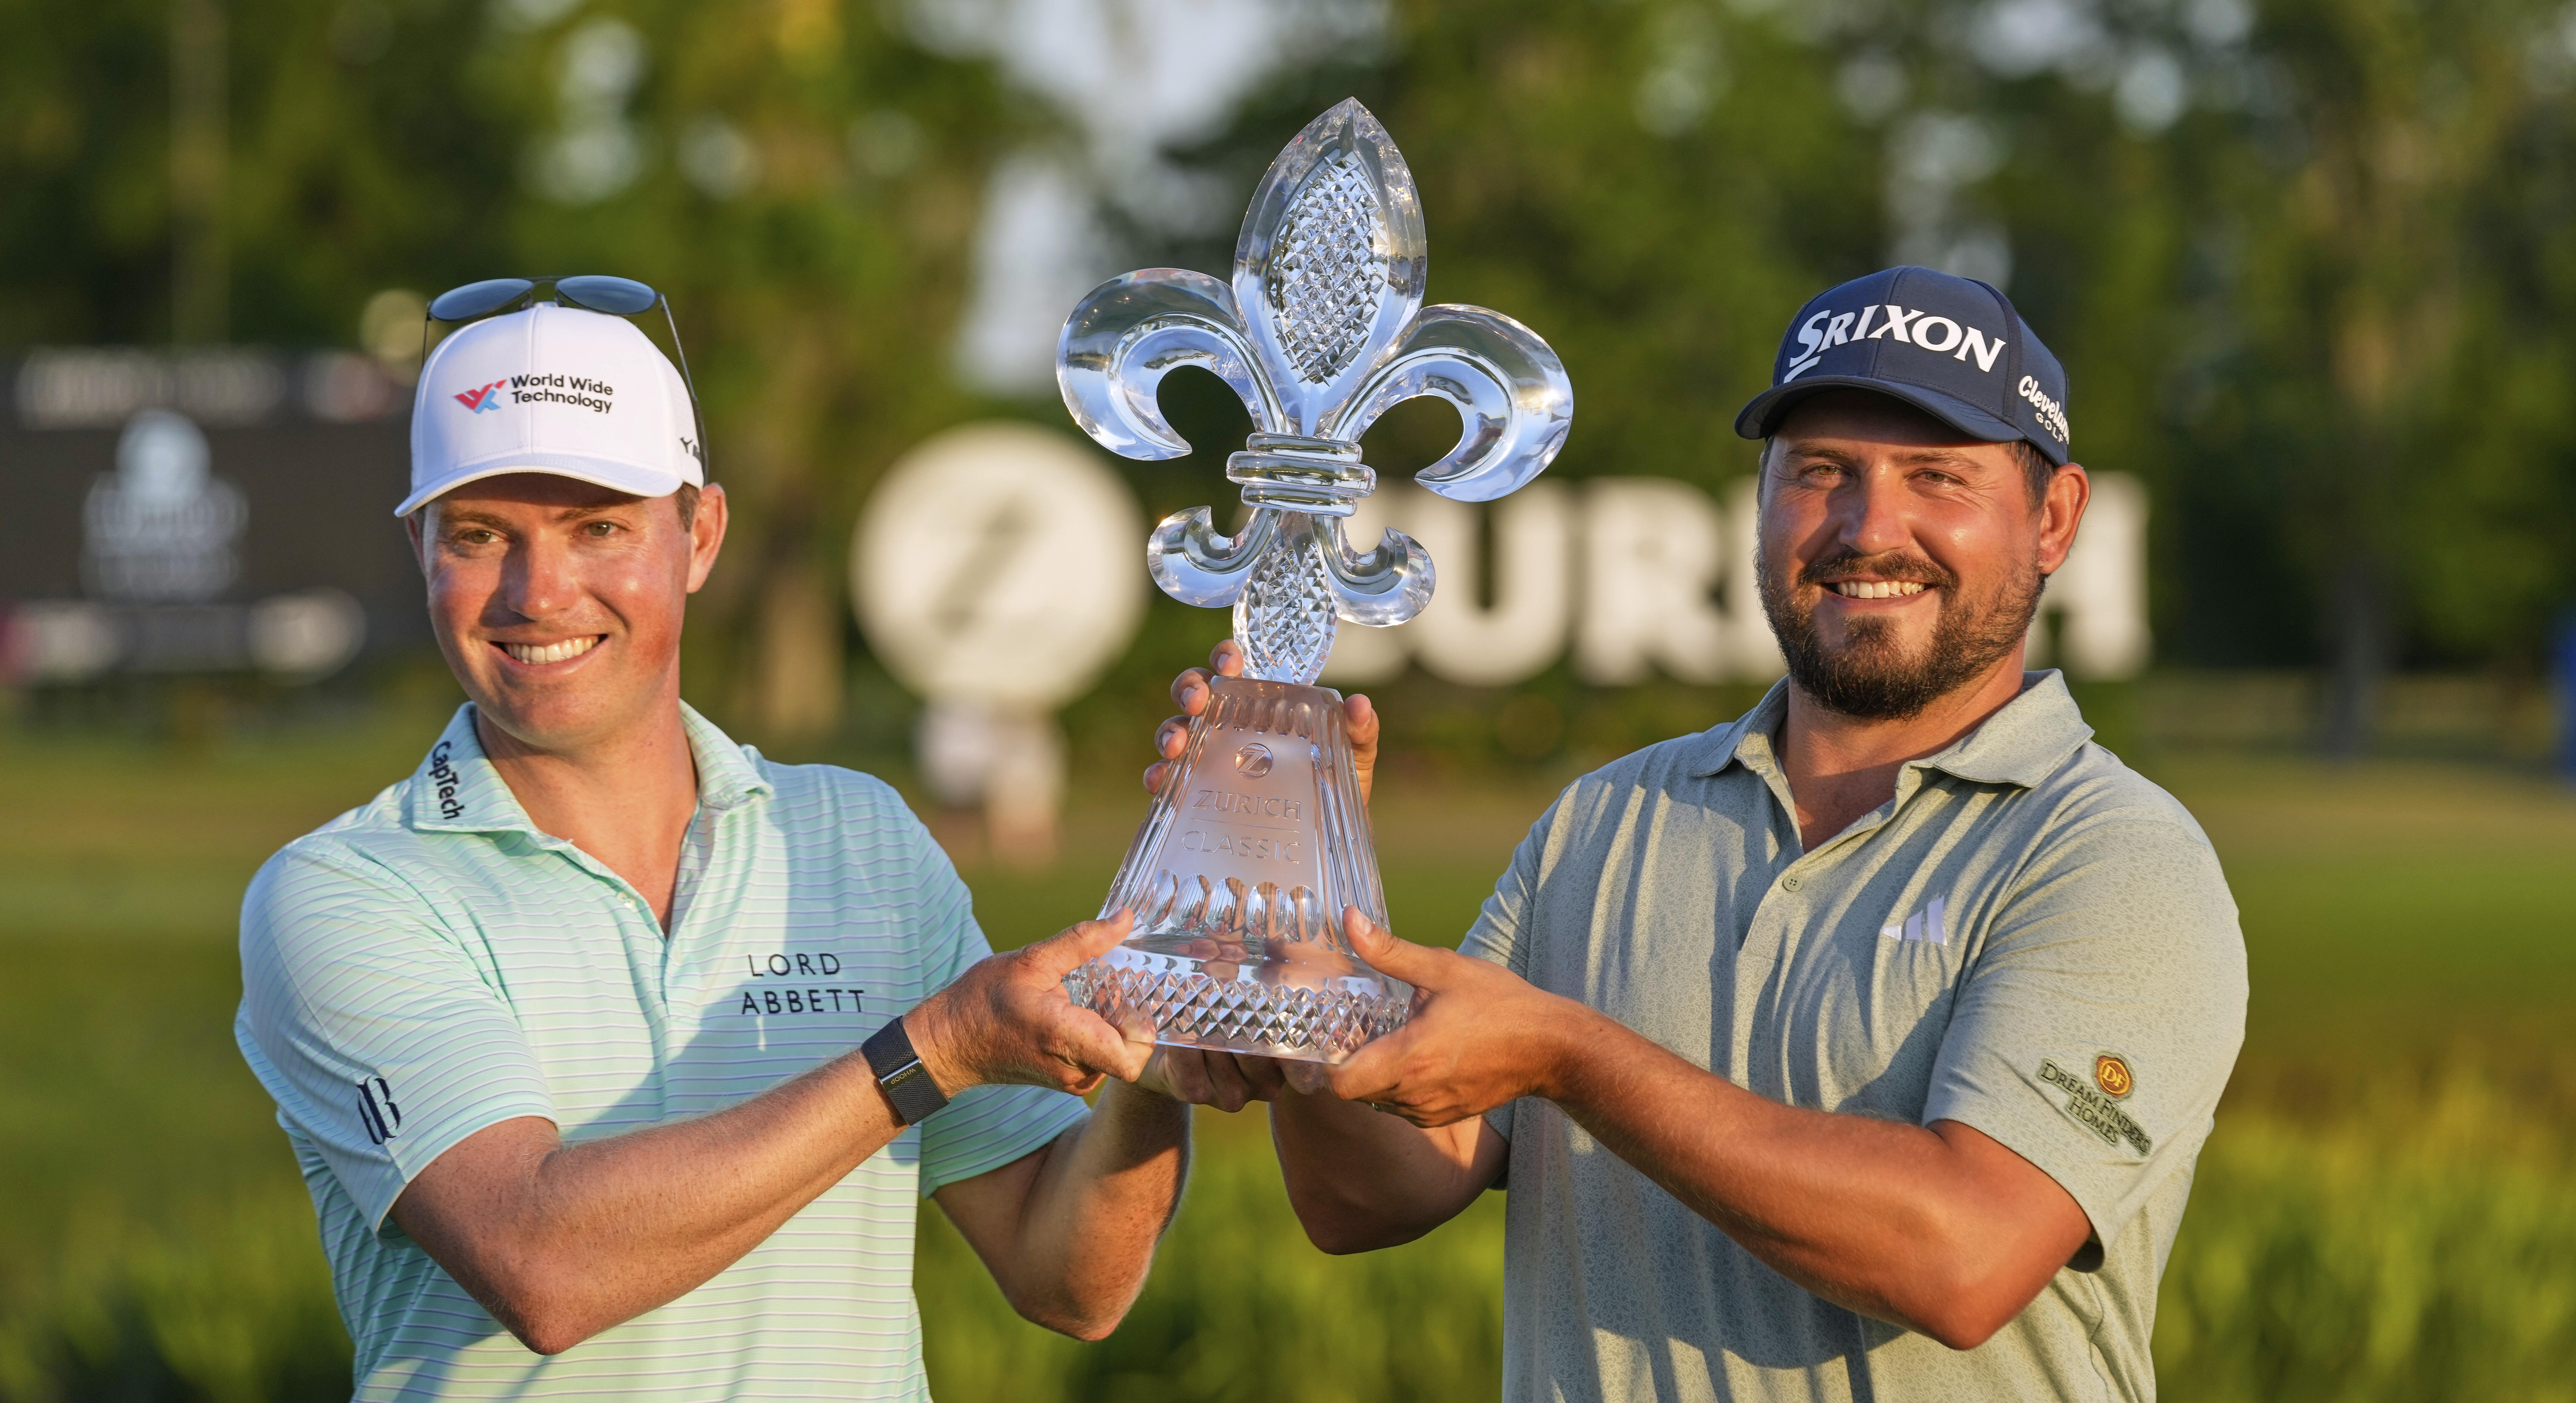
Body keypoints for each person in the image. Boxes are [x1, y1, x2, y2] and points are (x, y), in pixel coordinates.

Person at [1147, 266, 2247, 1401]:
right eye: (1822, 471)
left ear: (2055, 517)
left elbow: (1960, 1257)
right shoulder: (1607, 820)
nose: (1871, 528)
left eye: (1938, 478)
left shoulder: (2112, 855)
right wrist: (1307, 910)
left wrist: (1572, 1056)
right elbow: (1368, 1199)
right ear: (1764, 499)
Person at [236, 284, 1181, 1403]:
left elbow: (1067, 1279)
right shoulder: (347, 891)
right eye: (482, 535)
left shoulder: (861, 838)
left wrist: (1159, 1044)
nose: (540, 594)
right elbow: (541, 1265)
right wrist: (928, 1053)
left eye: (599, 527)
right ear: (420, 547)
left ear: (701, 535)